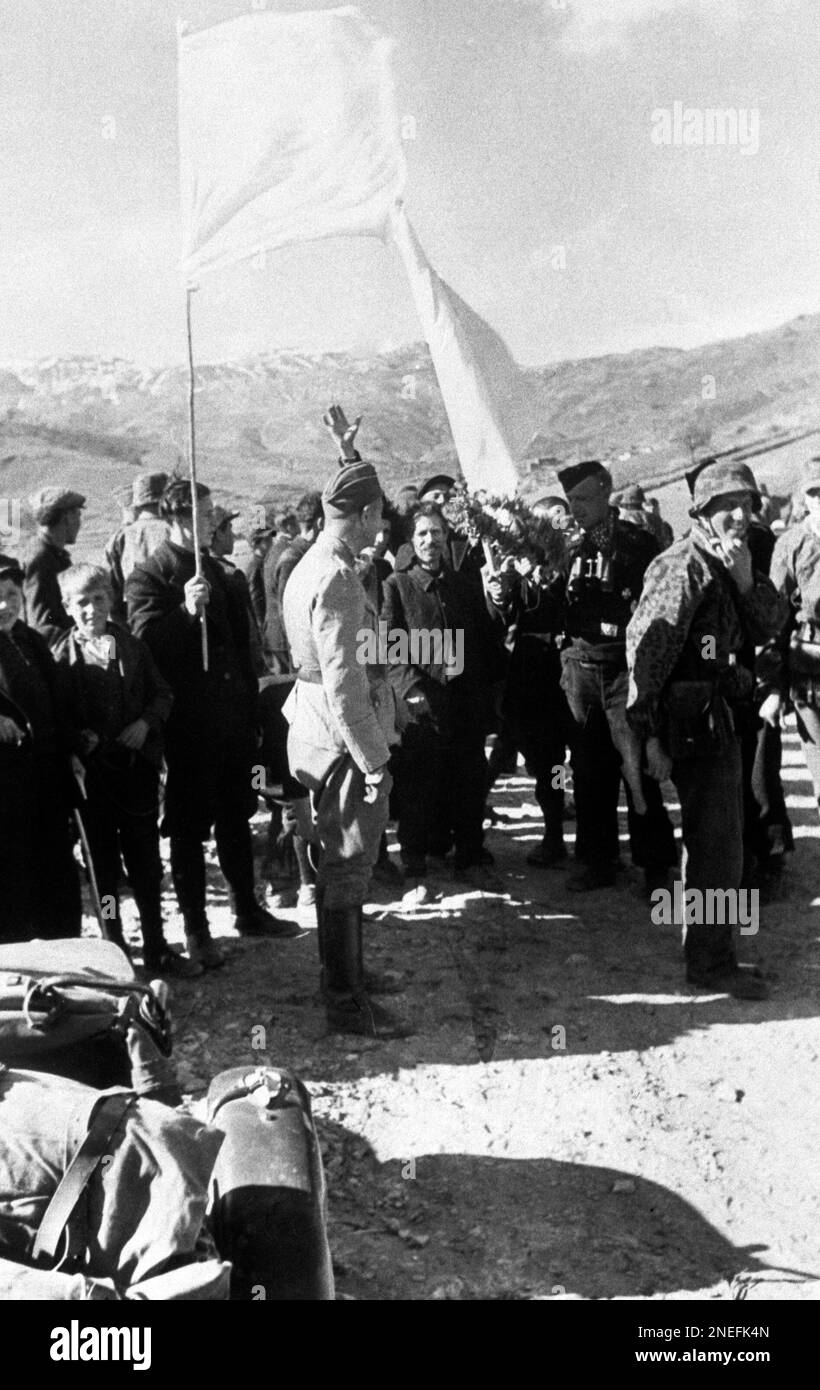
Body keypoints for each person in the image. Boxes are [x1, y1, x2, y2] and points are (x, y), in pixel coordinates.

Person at [626, 460, 788, 999]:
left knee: (724, 846)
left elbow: (772, 623)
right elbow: (646, 653)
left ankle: (717, 952)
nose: (740, 516)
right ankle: (711, 963)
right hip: (690, 723)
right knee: (716, 847)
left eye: (747, 505)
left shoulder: (730, 562)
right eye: (727, 507)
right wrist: (645, 735)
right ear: (702, 513)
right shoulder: (681, 567)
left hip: (720, 718)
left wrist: (746, 581)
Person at [126, 477, 299, 970]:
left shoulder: (223, 574)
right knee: (186, 828)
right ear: (178, 519)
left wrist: (252, 710)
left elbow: (241, 654)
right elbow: (147, 648)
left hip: (233, 721)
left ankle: (248, 908)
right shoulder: (150, 576)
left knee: (236, 816)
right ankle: (197, 930)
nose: (213, 524)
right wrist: (184, 610)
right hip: (188, 727)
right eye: (204, 515)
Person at [282, 444, 411, 1039]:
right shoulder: (334, 578)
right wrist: (373, 758)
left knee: (339, 860)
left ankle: (348, 975)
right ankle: (345, 1001)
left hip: (314, 730)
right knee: (348, 865)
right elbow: (343, 686)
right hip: (340, 740)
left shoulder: (312, 563)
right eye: (379, 516)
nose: (383, 527)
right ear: (360, 515)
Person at [54, 565, 199, 978]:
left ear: (111, 600)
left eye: (99, 599)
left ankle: (156, 946)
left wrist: (144, 724)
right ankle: (114, 949)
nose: (92, 609)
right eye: (82, 602)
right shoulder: (61, 659)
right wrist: (80, 739)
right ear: (68, 608)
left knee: (147, 866)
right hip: (92, 782)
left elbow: (163, 694)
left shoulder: (130, 647)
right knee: (102, 871)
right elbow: (56, 718)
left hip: (134, 775)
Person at [557, 460, 677, 893]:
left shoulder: (639, 544)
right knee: (588, 769)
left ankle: (655, 865)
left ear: (606, 492)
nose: (577, 509)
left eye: (585, 499)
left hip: (625, 668)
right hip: (581, 668)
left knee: (638, 767)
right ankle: (597, 860)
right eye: (571, 501)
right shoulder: (564, 546)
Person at [381, 503, 504, 900]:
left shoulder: (464, 583)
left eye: (437, 533)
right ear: (411, 542)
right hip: (424, 703)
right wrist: (410, 689)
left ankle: (470, 855)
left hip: (465, 701)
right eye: (422, 534)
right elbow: (386, 646)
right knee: (419, 786)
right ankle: (414, 863)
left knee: (469, 780)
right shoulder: (397, 586)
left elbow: (485, 639)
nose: (430, 541)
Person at [0, 554, 82, 940]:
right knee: (13, 875)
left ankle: (63, 945)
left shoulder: (30, 640)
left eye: (12, 594)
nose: (5, 604)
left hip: (47, 778)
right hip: (6, 790)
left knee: (55, 866)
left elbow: (58, 698)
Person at [767, 456, 820, 829]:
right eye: (817, 492)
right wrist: (774, 687)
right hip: (811, 661)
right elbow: (774, 617)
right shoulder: (792, 542)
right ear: (807, 498)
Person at [22, 487, 85, 646]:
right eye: (78, 515)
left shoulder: (54, 554)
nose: (79, 523)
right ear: (67, 517)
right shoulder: (41, 559)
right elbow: (43, 625)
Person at [105, 472, 169, 622]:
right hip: (172, 618)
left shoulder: (120, 537)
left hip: (133, 618)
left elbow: (112, 592)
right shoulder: (175, 531)